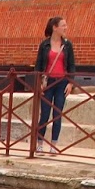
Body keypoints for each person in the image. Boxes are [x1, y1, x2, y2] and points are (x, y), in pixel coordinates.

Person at [34, 16, 75, 153]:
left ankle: (54, 145)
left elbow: (71, 65)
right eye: (63, 25)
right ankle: (39, 143)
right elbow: (38, 66)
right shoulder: (44, 45)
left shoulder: (68, 45)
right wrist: (38, 82)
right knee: (44, 114)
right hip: (48, 83)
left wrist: (70, 83)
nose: (66, 28)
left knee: (57, 114)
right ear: (55, 27)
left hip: (61, 82)